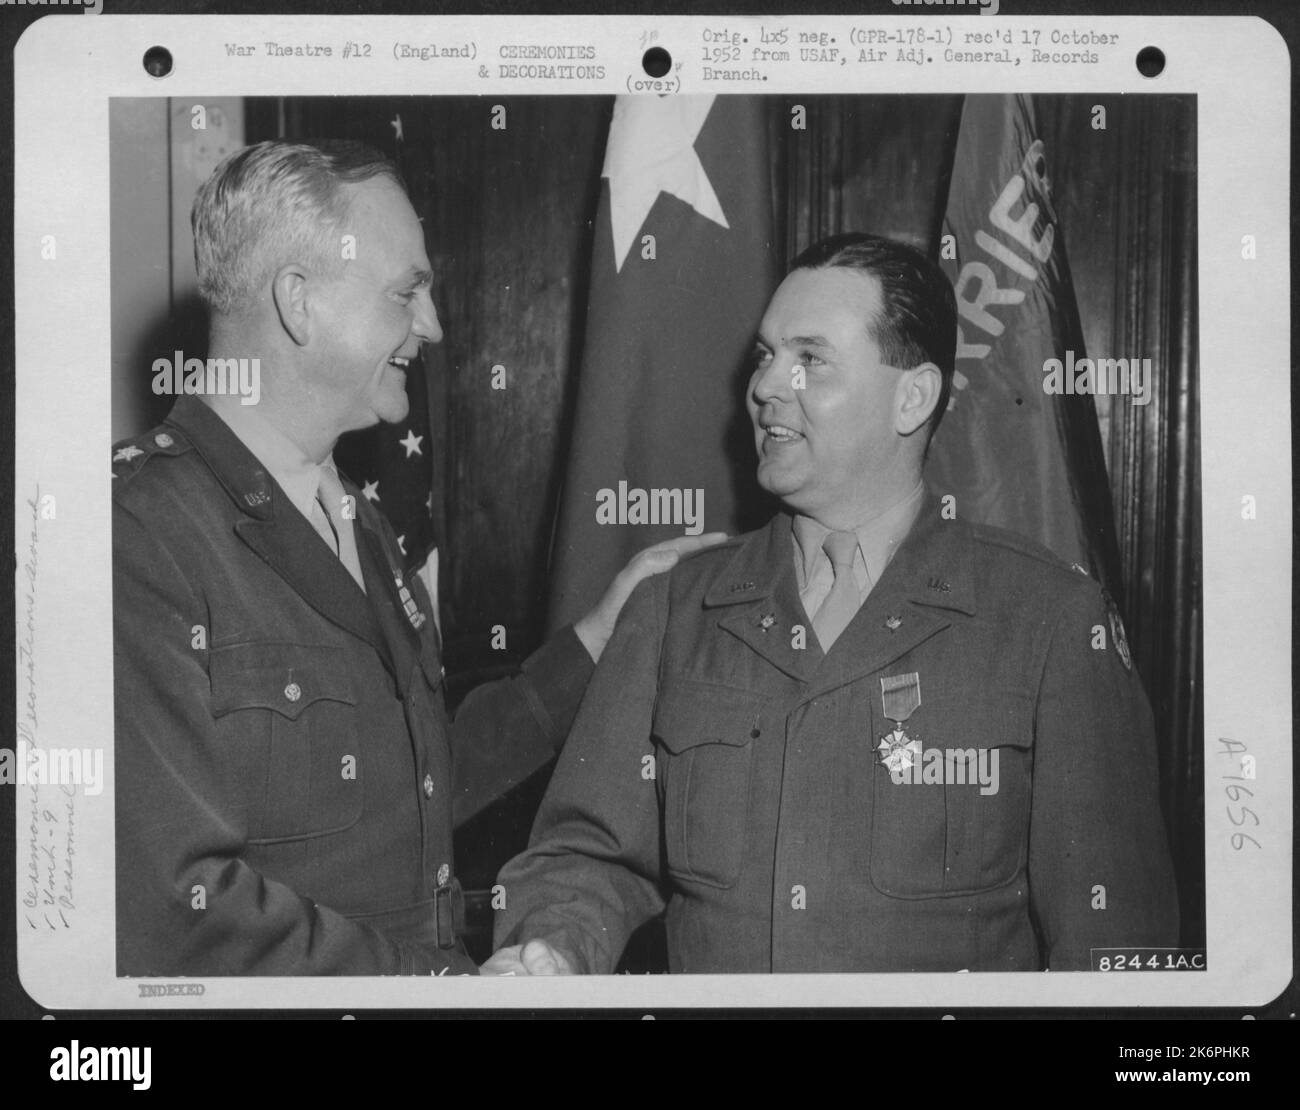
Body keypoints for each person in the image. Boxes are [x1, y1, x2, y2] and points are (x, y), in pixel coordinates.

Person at [487, 232, 1180, 974]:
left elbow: (1115, 946)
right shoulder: (674, 608)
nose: (765, 386)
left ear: (911, 397)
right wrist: (550, 946)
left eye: (809, 359)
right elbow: (588, 854)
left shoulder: (1049, 621)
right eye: (765, 355)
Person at [112, 140, 722, 977]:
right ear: (300, 302)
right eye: (407, 293)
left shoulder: (354, 514)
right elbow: (176, 905)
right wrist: (437, 989)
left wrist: (595, 635)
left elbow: (409, 787)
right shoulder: (136, 532)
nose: (432, 326)